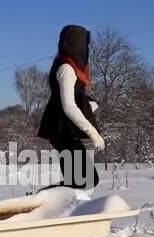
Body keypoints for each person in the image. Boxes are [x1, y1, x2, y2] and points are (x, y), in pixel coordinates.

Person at [38, 24, 104, 191]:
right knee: (87, 180)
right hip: (61, 133)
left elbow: (71, 100)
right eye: (85, 45)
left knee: (79, 182)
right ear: (77, 44)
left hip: (65, 132)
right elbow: (68, 106)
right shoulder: (66, 68)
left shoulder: (70, 67)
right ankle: (42, 199)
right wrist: (93, 134)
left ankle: (55, 205)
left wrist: (88, 106)